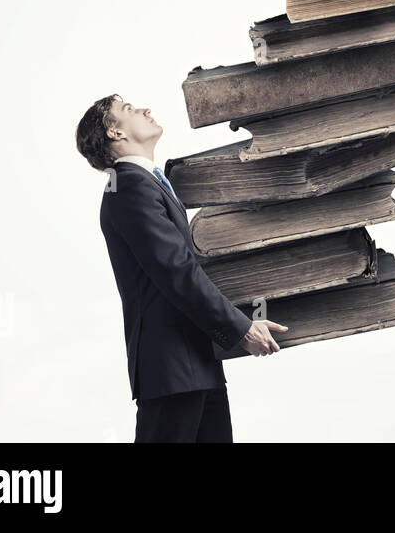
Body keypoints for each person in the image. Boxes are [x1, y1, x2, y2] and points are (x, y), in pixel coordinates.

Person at [75, 93, 288, 442]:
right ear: (114, 133)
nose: (144, 109)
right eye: (128, 110)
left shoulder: (148, 182)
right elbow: (177, 272)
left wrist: (241, 322)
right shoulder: (128, 186)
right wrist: (240, 329)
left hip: (196, 364)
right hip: (171, 369)